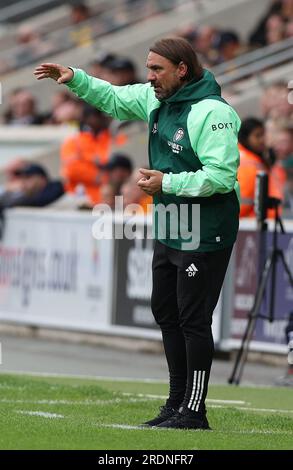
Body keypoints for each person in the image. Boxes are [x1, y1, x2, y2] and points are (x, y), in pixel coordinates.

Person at [34, 37, 241, 430]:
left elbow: (222, 176)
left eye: (157, 69)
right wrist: (75, 78)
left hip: (205, 230)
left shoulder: (212, 112)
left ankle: (194, 411)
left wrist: (168, 183)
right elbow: (114, 98)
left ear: (182, 69)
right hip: (171, 226)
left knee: (193, 319)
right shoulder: (156, 99)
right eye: (148, 68)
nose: (150, 77)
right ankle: (176, 403)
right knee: (166, 311)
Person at [237, 118, 283, 218]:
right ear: (245, 138)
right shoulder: (249, 163)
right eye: (257, 136)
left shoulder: (254, 159)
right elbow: (244, 202)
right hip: (250, 225)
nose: (262, 140)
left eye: (263, 135)